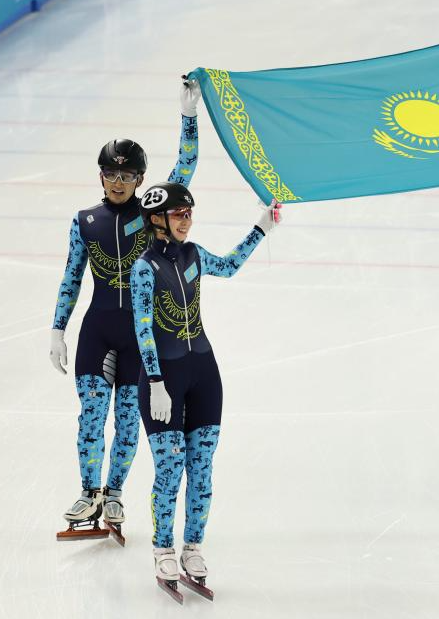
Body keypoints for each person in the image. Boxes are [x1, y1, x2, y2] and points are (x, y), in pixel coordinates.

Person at [50, 80, 202, 538]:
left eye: (128, 176)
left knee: (126, 421)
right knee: (91, 415)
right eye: (111, 175)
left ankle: (114, 492)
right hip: (97, 329)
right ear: (101, 177)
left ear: (139, 179)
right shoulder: (85, 221)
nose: (118, 183)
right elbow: (72, 276)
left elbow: (187, 166)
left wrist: (188, 116)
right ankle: (89, 490)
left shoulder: (154, 214)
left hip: (141, 335)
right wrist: (58, 329)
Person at [131, 181, 281, 597]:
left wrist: (262, 228)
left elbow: (229, 266)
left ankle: (192, 547)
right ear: (157, 219)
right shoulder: (144, 269)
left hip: (203, 372)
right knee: (170, 468)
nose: (186, 221)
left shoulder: (193, 255)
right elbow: (142, 328)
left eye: (189, 214)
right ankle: (163, 549)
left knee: (202, 469)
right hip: (163, 380)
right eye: (179, 215)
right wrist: (156, 381)